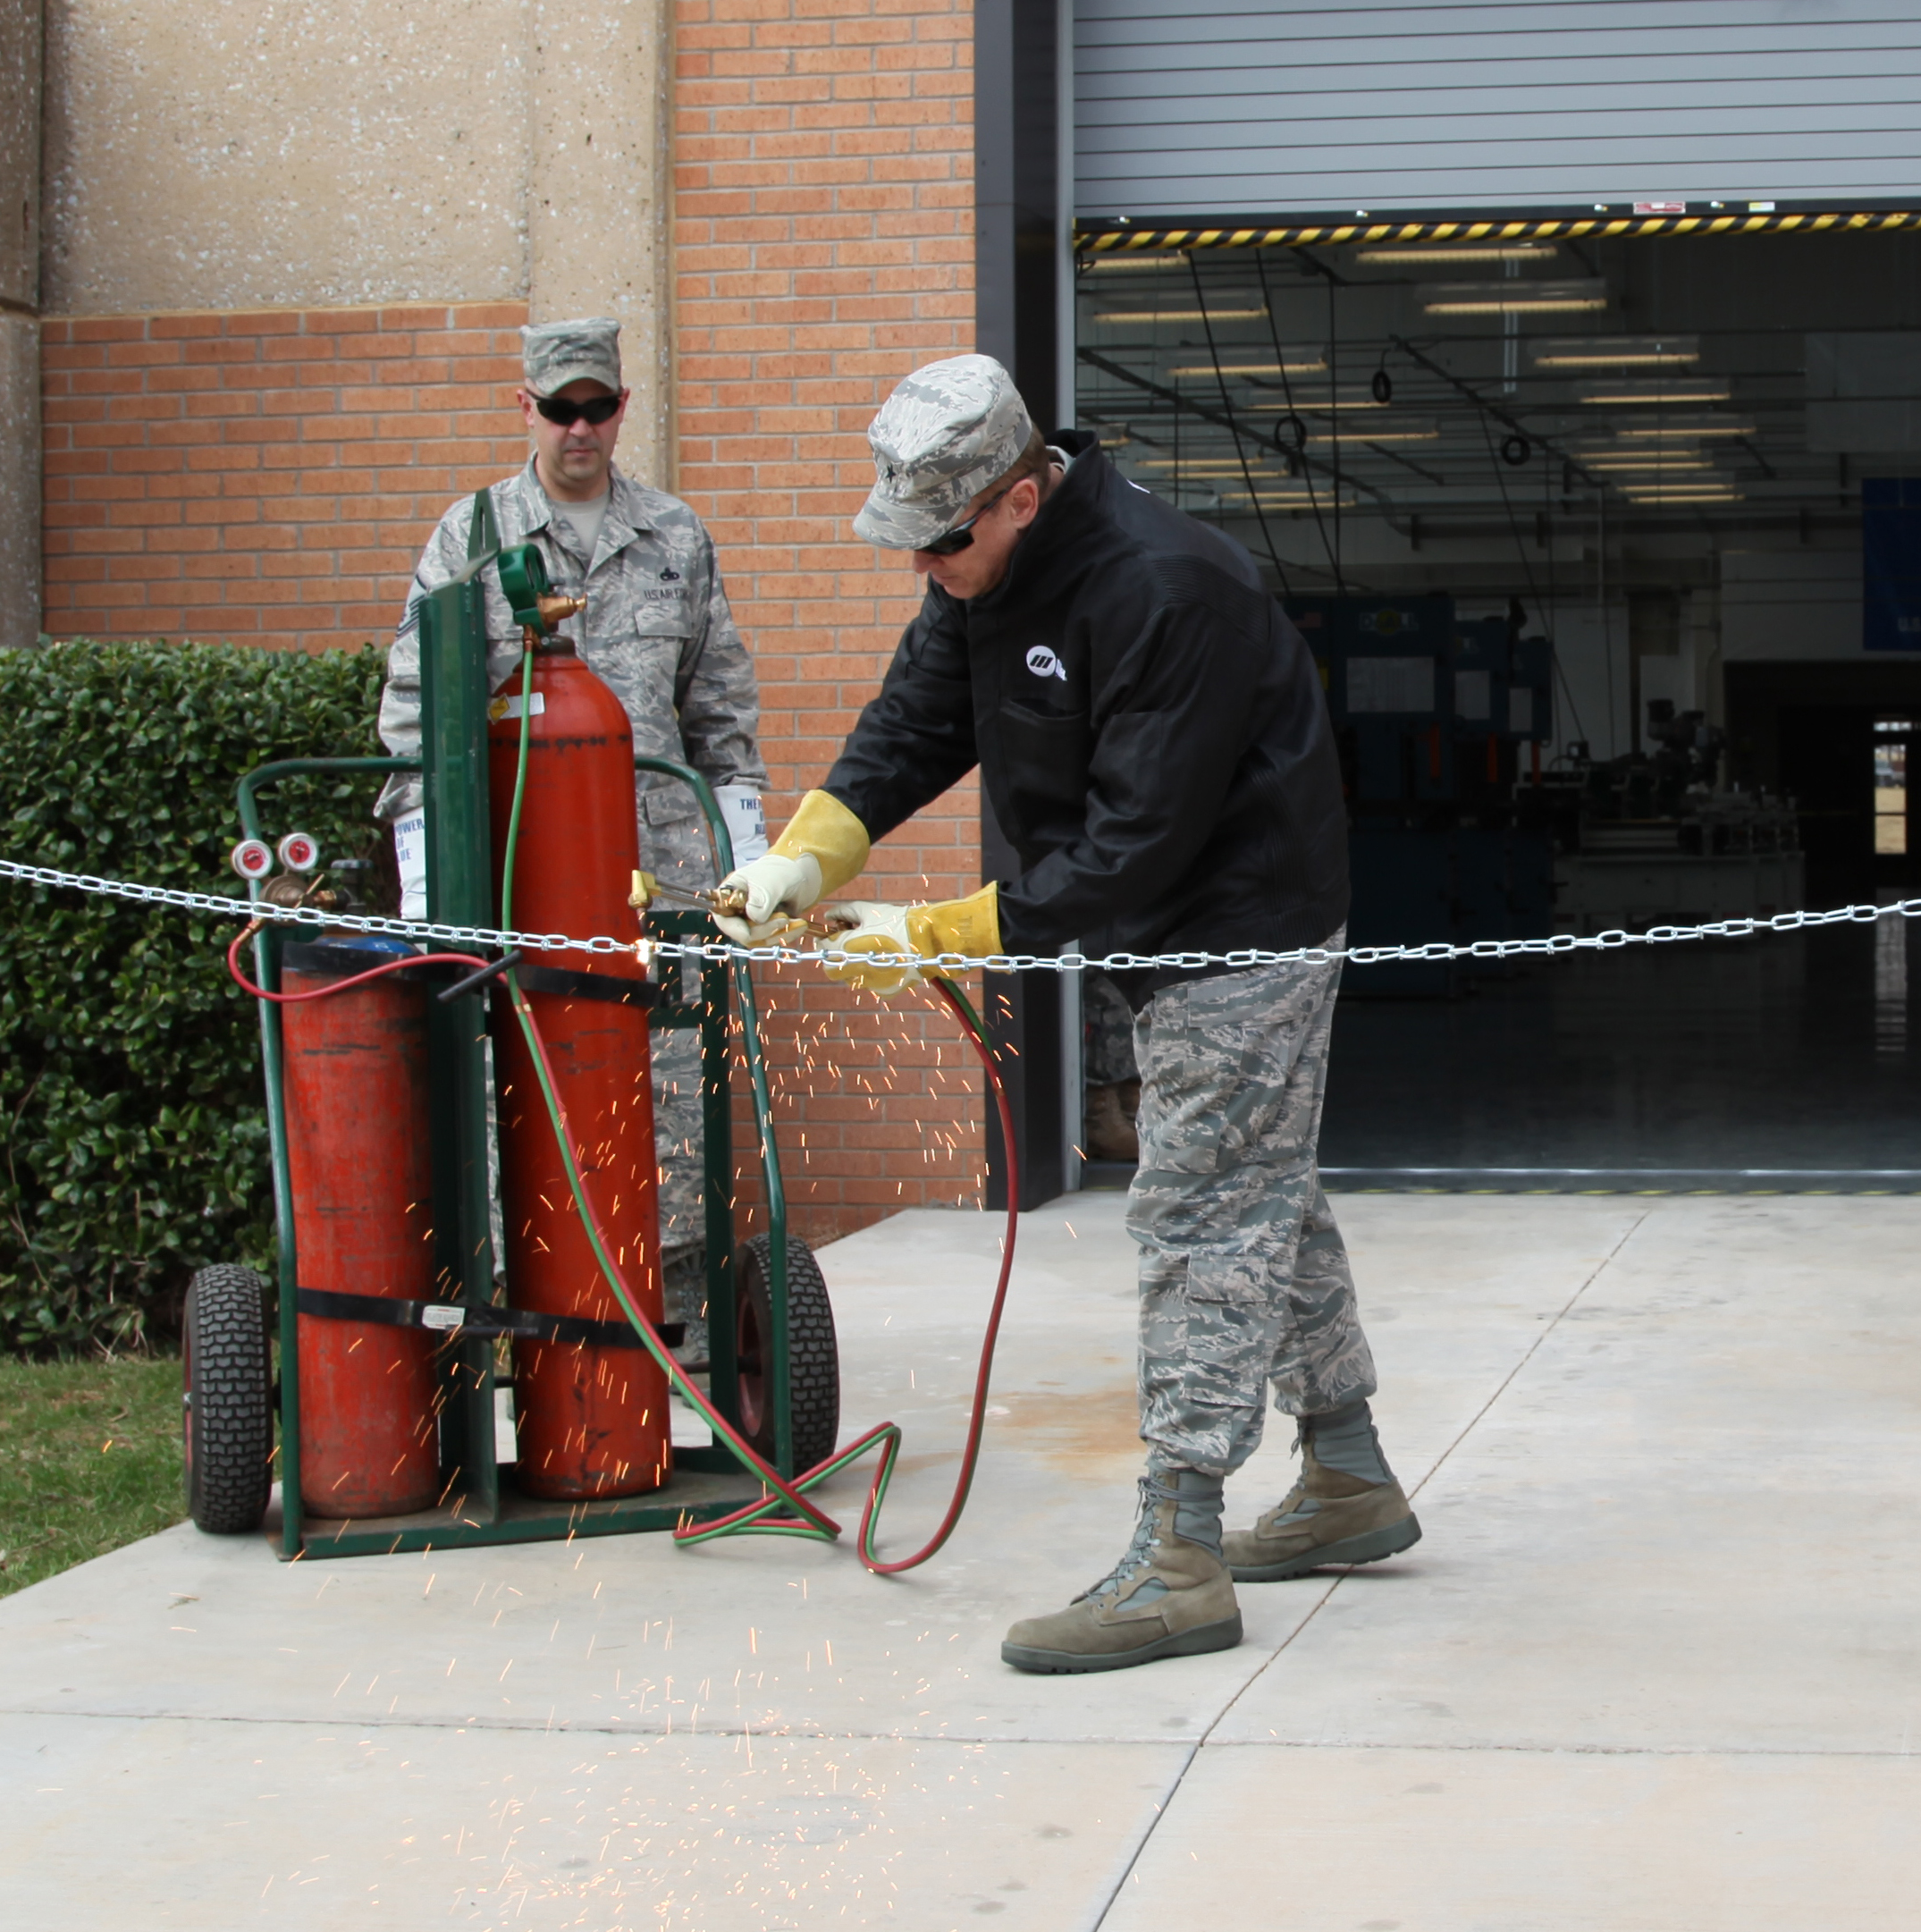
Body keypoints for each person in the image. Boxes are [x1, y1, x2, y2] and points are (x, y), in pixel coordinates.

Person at [713, 354, 1420, 1674]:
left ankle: (1180, 1551)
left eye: (939, 542)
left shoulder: (1169, 588)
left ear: (1018, 499)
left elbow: (1135, 845)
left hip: (1243, 929)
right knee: (1265, 1194)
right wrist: (806, 856)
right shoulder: (979, 572)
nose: (922, 567)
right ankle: (1347, 1471)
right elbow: (913, 721)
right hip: (1162, 932)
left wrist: (937, 934)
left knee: (1200, 1216)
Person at [377, 317, 766, 1296]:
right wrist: (432, 879)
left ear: (622, 409)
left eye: (597, 408)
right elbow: (413, 716)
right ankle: (524, 1299)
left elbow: (720, 709)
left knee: (670, 1079)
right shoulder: (471, 540)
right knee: (515, 1065)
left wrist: (750, 857)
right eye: (560, 410)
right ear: (526, 409)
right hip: (520, 867)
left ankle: (667, 1299)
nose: (579, 428)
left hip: (655, 869)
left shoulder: (674, 535)